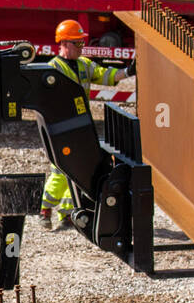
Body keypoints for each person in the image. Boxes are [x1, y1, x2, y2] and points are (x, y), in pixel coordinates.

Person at [39, 19, 133, 227]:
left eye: (82, 43)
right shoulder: (53, 68)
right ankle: (44, 209)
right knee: (60, 169)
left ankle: (66, 213)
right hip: (60, 127)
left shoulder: (84, 65)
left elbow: (107, 75)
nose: (82, 47)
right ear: (64, 43)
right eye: (78, 43)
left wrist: (128, 72)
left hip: (80, 125)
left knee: (77, 168)